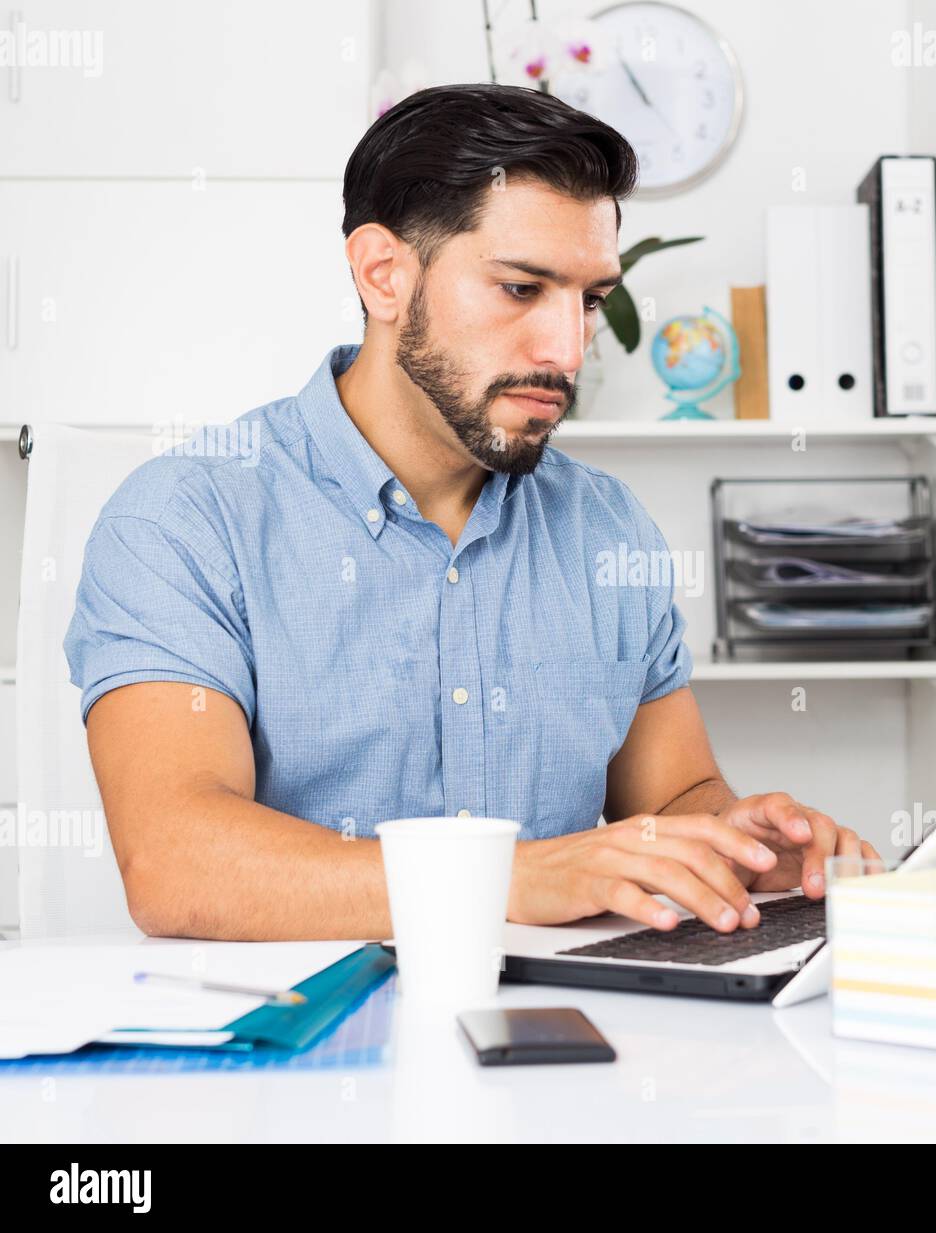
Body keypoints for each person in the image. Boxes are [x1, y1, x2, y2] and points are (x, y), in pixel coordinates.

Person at [64, 83, 881, 943]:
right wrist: (507, 878)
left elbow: (673, 795)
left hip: (571, 1036)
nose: (566, 351)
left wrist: (733, 843)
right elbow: (173, 859)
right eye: (522, 288)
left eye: (592, 300)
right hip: (291, 1050)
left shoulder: (606, 527)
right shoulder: (186, 520)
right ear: (384, 275)